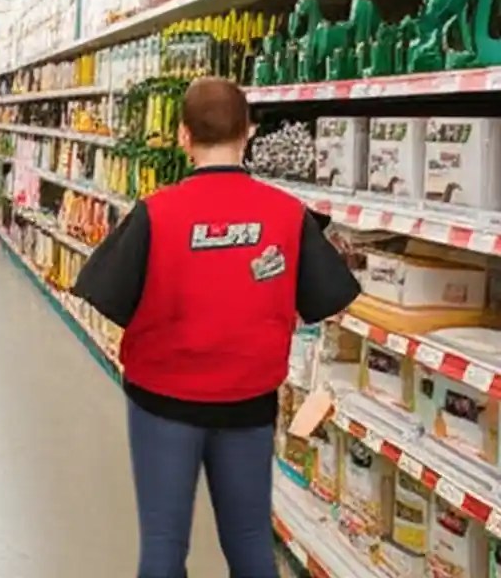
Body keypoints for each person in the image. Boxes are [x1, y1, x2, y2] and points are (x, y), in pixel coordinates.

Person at [72, 77, 359, 578]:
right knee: (249, 540)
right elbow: (329, 297)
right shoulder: (288, 214)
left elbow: (106, 291)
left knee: (163, 544)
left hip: (163, 399)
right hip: (248, 402)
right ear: (248, 132)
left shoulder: (154, 213)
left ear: (183, 136)